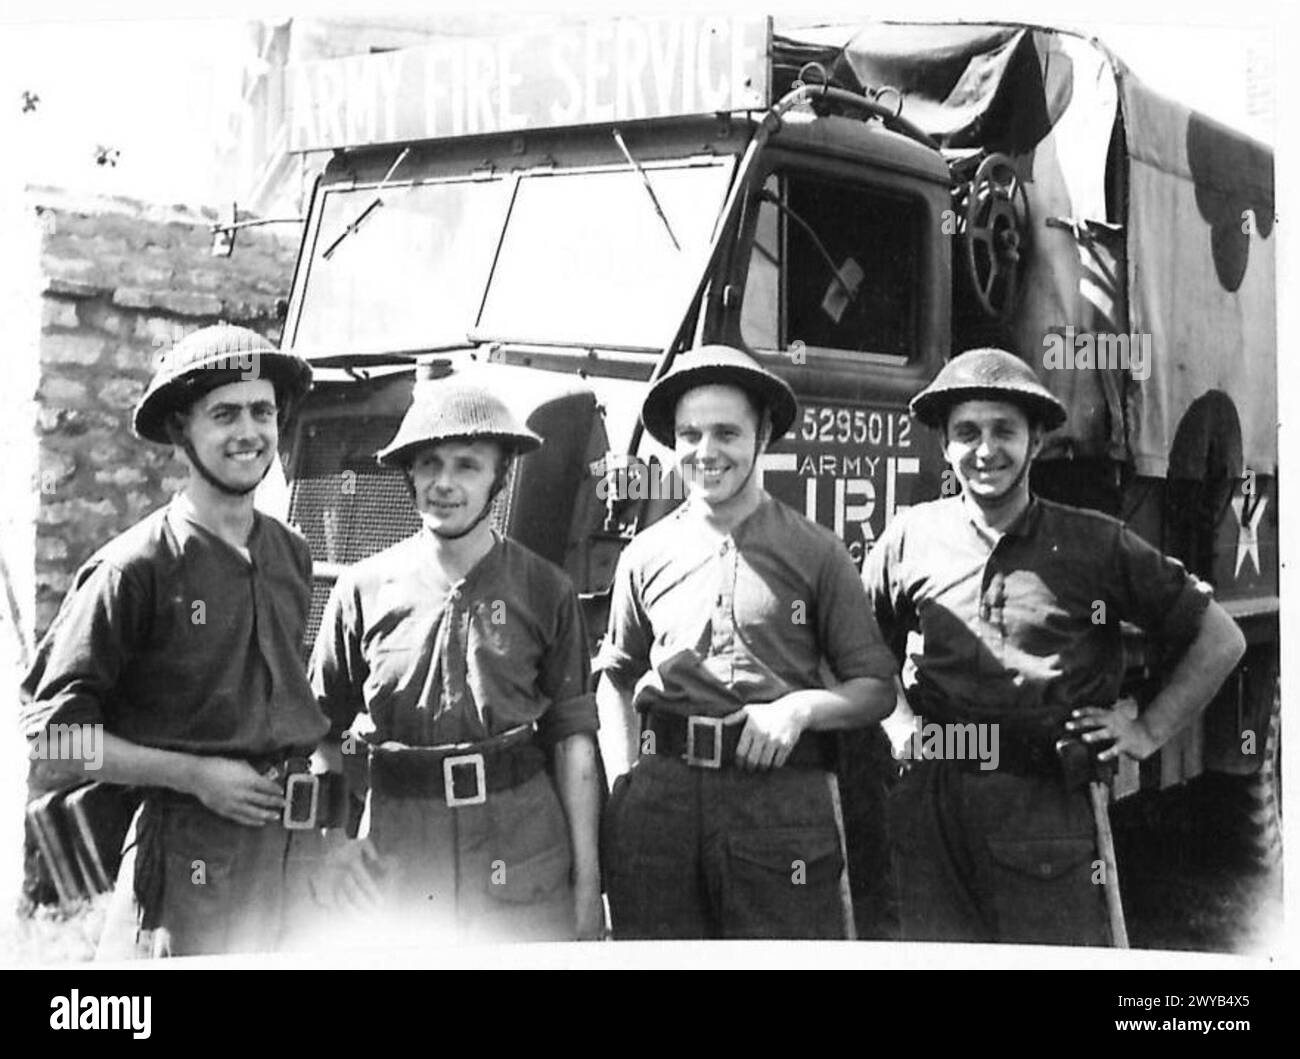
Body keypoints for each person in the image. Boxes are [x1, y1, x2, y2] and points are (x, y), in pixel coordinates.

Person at [862, 347, 1247, 945]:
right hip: (931, 803)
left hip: (1043, 804)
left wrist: (1145, 731)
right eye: (966, 433)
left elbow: (1220, 638)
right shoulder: (910, 535)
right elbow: (863, 647)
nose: (985, 450)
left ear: (1037, 442)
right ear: (944, 445)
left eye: (1004, 432)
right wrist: (899, 723)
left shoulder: (1094, 543)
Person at [20, 323, 337, 957]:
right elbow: (51, 739)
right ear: (179, 432)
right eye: (224, 414)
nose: (248, 432)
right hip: (188, 863)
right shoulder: (133, 569)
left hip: (292, 857)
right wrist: (192, 774)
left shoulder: (291, 555)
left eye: (262, 412)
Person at [596, 345, 897, 939]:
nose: (706, 452)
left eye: (726, 433)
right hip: (663, 806)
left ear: (763, 437)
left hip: (777, 806)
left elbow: (876, 691)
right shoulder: (645, 554)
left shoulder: (817, 552)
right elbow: (617, 675)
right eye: (689, 435)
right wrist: (624, 783)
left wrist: (799, 708)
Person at [307, 376, 602, 945]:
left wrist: (588, 885)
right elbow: (325, 733)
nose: (444, 483)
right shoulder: (362, 589)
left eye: (467, 465)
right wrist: (336, 846)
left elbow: (573, 742)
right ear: (409, 474)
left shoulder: (545, 589)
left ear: (500, 476)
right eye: (429, 464)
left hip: (519, 847)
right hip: (399, 850)